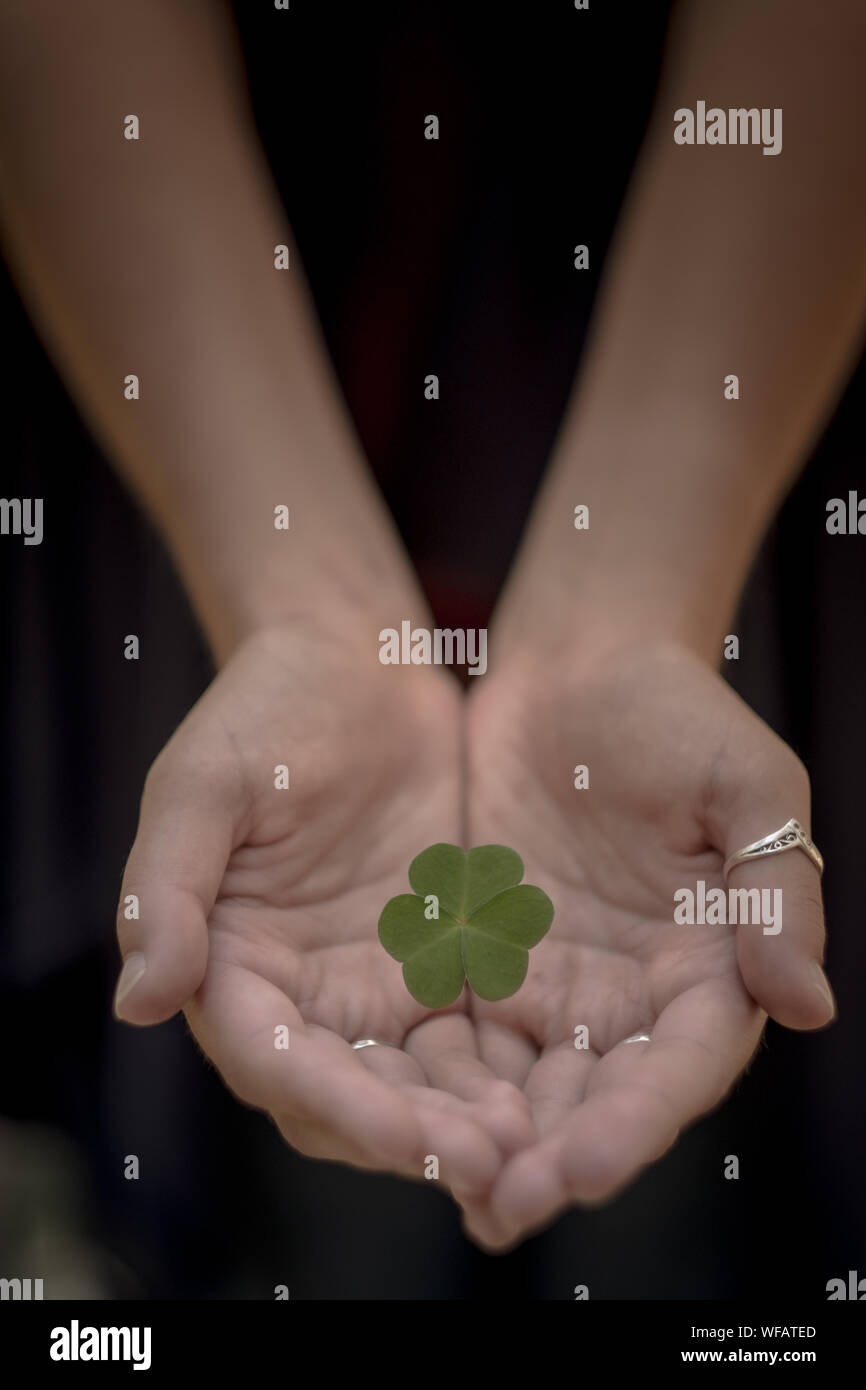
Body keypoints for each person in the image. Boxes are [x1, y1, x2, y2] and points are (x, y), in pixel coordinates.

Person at [1, 0, 863, 1255]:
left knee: (700, 1216)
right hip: (195, 296)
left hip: (755, 299)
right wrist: (293, 602)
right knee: (311, 1195)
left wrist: (641, 608)